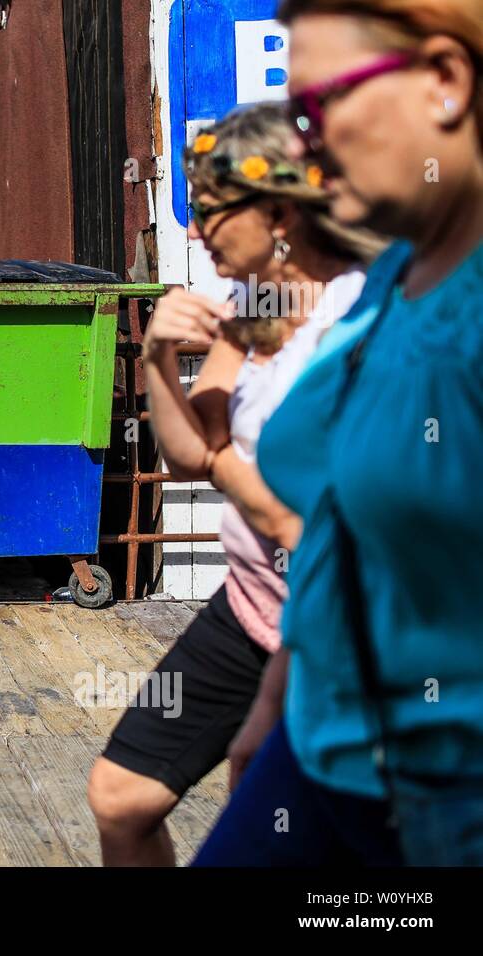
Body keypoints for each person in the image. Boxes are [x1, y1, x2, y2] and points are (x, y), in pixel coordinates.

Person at [195, 0, 483, 866]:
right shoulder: (400, 272)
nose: (302, 143)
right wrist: (275, 702)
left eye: (316, 106)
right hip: (318, 746)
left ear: (444, 81)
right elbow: (342, 533)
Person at [87, 103, 383, 866]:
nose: (194, 232)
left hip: (331, 633)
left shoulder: (363, 323)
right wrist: (156, 357)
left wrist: (225, 468)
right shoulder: (257, 309)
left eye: (211, 212)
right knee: (121, 799)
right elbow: (191, 455)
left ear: (280, 210)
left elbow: (303, 526)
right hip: (248, 610)